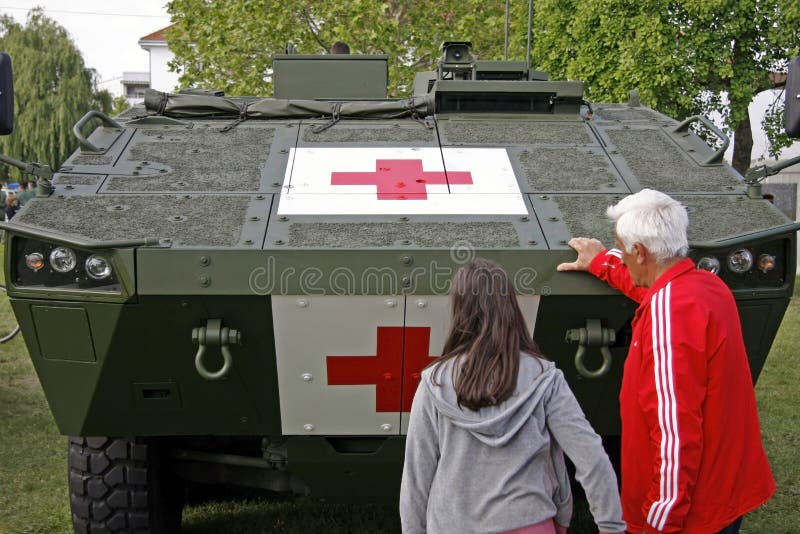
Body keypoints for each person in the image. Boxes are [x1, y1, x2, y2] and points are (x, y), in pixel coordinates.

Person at [556, 189, 775, 534]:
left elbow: (675, 432)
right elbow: (654, 288)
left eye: (624, 250)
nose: (624, 258)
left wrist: (660, 520)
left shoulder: (667, 314)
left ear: (640, 252)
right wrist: (603, 262)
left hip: (689, 513)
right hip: (724, 488)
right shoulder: (706, 288)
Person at [400, 258, 625, 534]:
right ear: (510, 307)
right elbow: (591, 458)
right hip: (531, 522)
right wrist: (610, 527)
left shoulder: (433, 383)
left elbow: (416, 477)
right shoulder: (545, 378)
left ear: (459, 309)